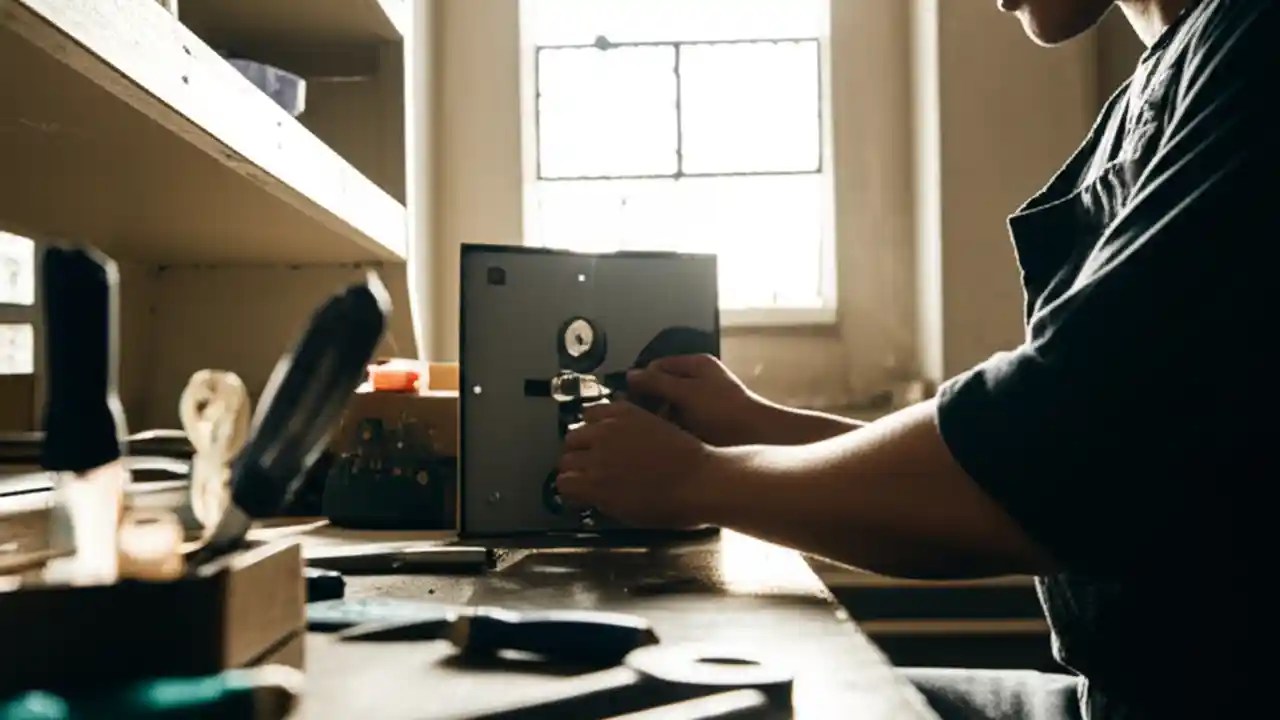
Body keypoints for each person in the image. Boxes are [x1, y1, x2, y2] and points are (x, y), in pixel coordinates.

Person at [557, 0, 1274, 718]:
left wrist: (696, 480)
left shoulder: (1254, 42)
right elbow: (1022, 455)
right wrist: (750, 428)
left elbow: (1051, 467)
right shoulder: (1178, 69)